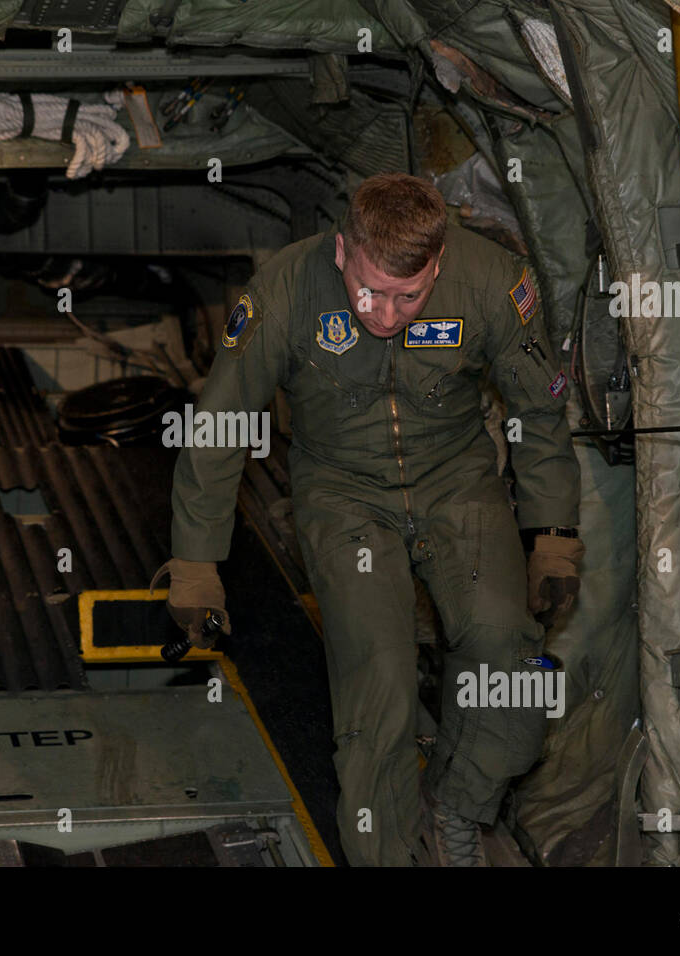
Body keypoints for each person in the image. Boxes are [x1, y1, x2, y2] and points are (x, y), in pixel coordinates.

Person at [152, 173, 584, 866]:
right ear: (342, 252)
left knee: (512, 659)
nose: (383, 315)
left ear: (438, 263)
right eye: (368, 292)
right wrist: (197, 564)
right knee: (377, 680)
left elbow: (538, 412)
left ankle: (457, 808)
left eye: (407, 297)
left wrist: (554, 536)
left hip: (458, 487)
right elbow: (221, 424)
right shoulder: (285, 291)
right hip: (342, 495)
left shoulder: (493, 284)